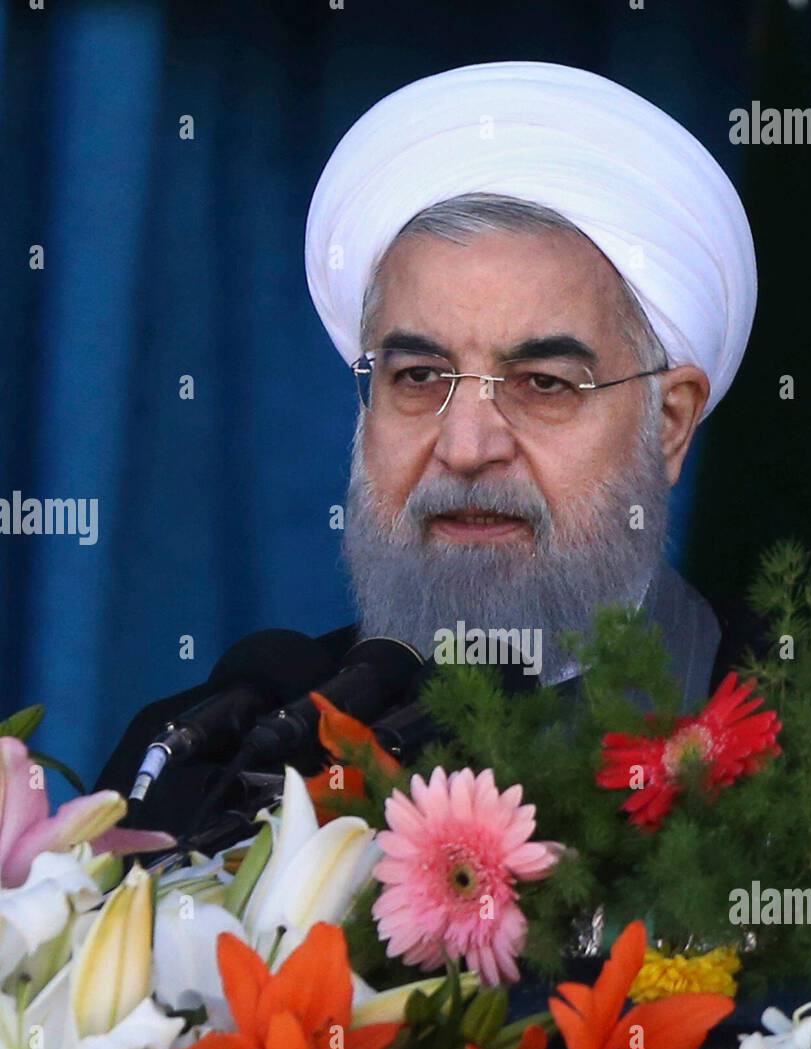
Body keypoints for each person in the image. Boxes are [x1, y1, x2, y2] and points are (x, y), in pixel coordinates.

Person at [95, 60, 757, 835]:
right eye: (418, 375)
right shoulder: (205, 762)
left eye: (542, 383)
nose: (467, 446)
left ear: (670, 421)